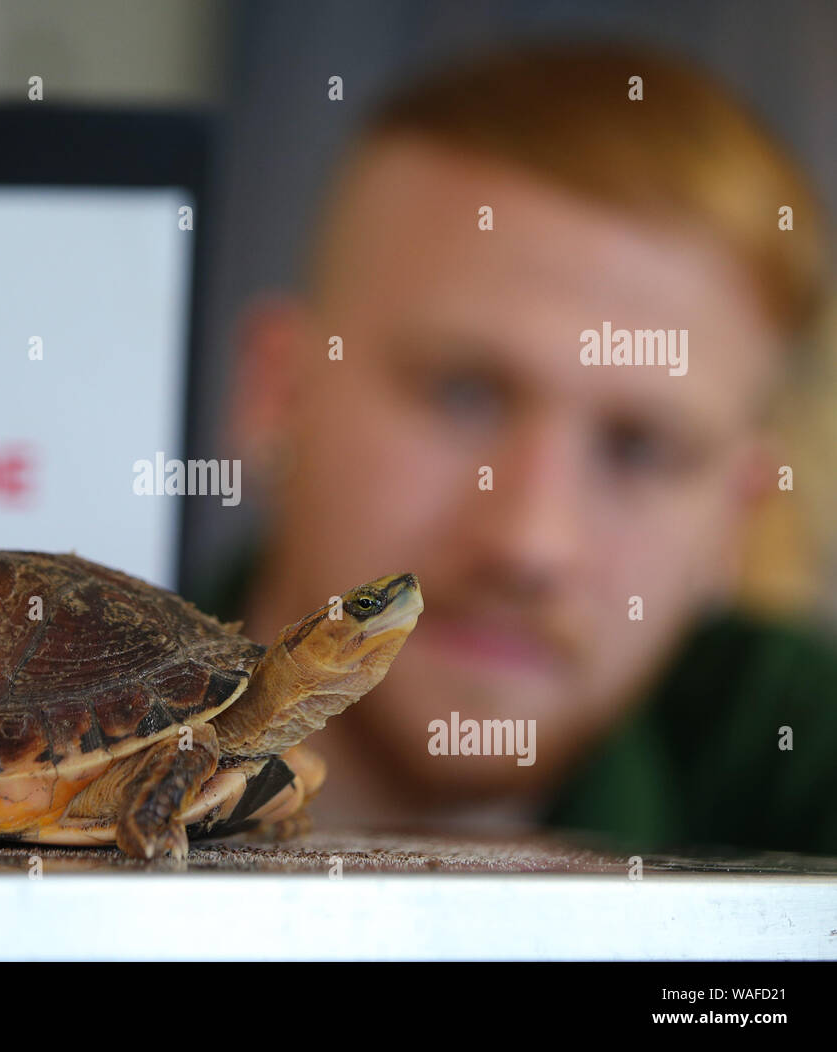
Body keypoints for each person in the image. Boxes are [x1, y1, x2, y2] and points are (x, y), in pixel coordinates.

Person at [199, 41, 837, 855]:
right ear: (276, 393)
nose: (530, 543)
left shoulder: (795, 762)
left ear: (735, 516)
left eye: (639, 448)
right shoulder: (23, 722)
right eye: (462, 393)